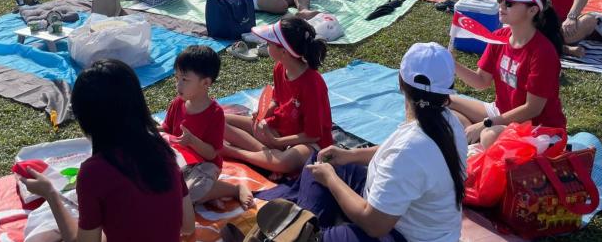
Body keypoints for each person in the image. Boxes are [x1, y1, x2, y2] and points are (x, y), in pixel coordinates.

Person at [274, 42, 466, 242]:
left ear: (400, 82)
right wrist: (351, 155)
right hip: (406, 220)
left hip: (399, 234)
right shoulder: (447, 121)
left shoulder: (411, 147)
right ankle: (307, 228)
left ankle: (306, 230)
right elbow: (397, 154)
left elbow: (374, 225)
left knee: (321, 182)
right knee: (318, 161)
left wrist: (332, 180)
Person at [21, 60, 195, 242]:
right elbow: (188, 226)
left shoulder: (94, 172)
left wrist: (50, 194)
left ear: (86, 118)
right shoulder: (162, 149)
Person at [449, 0, 566, 143]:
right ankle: (470, 141)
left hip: (539, 128)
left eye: (509, 3)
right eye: (500, 0)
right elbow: (481, 81)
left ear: (532, 10)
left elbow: (532, 109)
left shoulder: (543, 52)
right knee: (446, 101)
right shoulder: (499, 38)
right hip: (502, 114)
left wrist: (486, 124)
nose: (502, 6)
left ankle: (475, 142)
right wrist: (452, 64)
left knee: (489, 135)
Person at [223, 18, 332, 174]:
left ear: (283, 52)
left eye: (270, 43)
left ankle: (236, 153)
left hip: (307, 143)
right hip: (279, 130)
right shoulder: (280, 67)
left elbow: (313, 135)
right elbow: (277, 99)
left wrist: (278, 141)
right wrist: (264, 113)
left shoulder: (312, 84)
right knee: (219, 120)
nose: (266, 46)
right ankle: (267, 153)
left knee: (285, 162)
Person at [162, 46, 254, 209]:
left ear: (205, 83)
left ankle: (234, 189)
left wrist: (191, 140)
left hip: (204, 166)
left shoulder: (215, 113)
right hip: (180, 162)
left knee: (188, 192)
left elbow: (212, 153)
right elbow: (166, 131)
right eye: (176, 79)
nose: (178, 85)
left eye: (185, 80)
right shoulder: (177, 104)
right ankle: (210, 194)